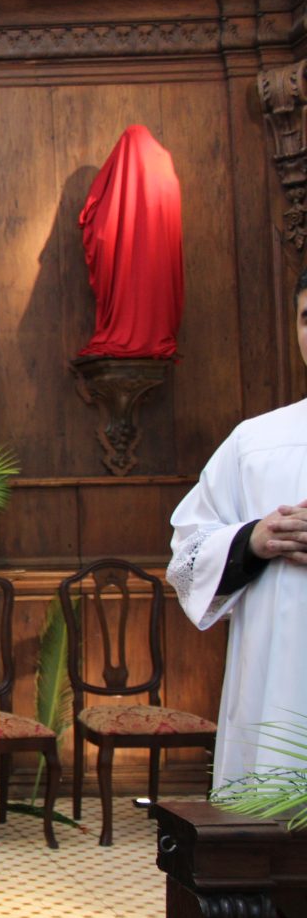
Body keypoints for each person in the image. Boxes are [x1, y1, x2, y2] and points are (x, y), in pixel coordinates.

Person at [168, 269, 307, 792]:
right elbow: (186, 555)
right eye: (306, 318)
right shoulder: (255, 441)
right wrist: (250, 540)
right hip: (273, 691)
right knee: (267, 853)